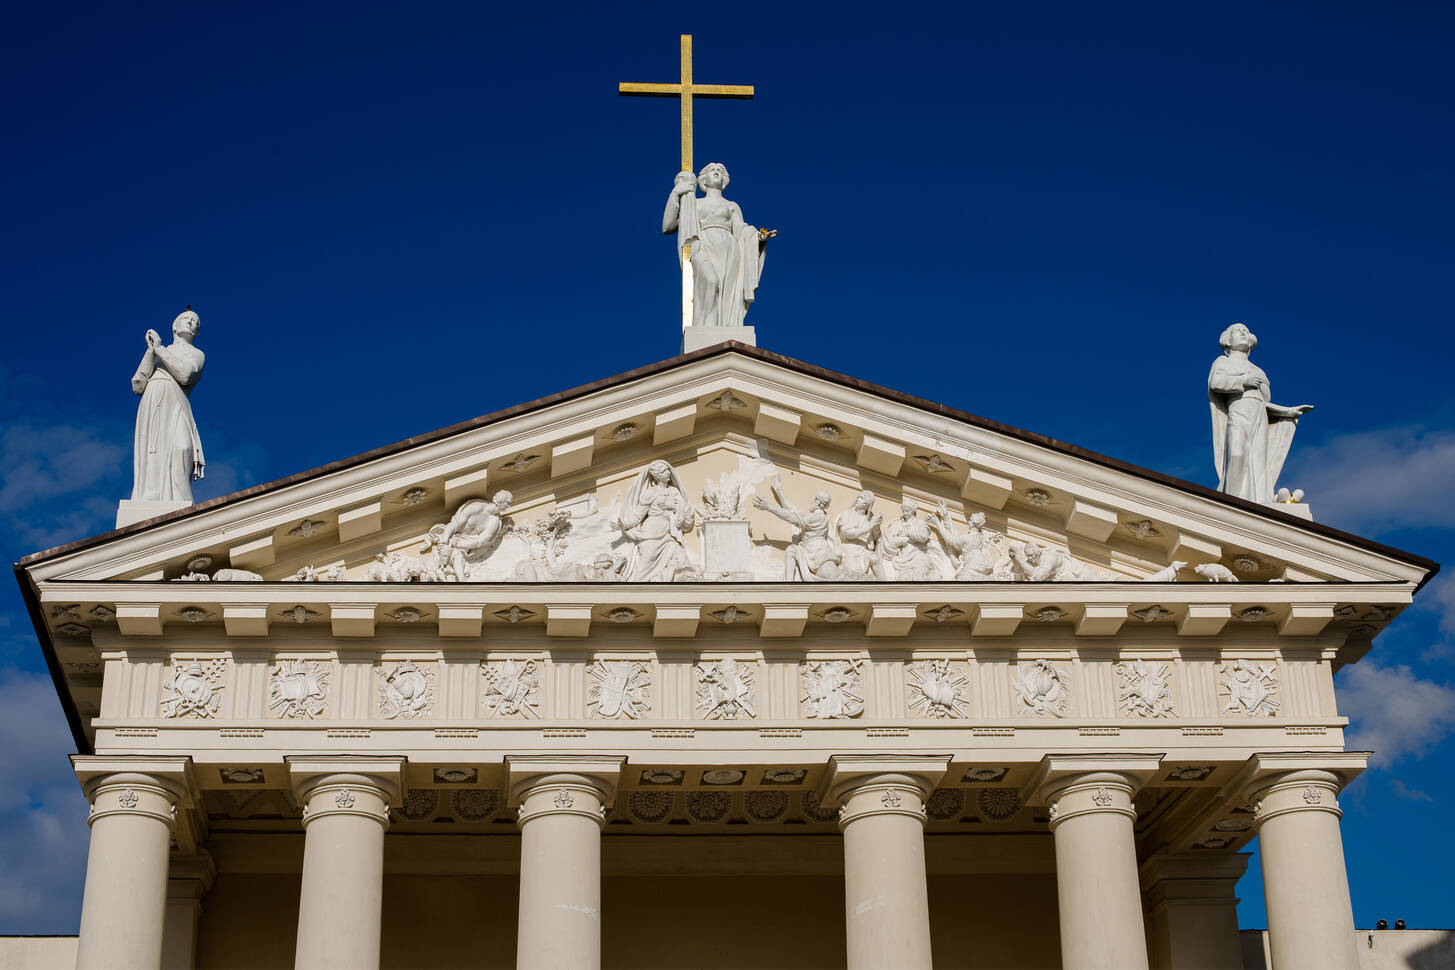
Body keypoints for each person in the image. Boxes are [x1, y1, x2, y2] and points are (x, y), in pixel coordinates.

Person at [1207, 323, 1313, 504]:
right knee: (1237, 454)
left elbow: (1264, 402)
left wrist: (1287, 411)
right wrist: (1244, 380)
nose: (1242, 333)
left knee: (1258, 461)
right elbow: (1217, 383)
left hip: (1259, 415)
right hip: (1238, 411)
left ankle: (1260, 500)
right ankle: (1232, 500)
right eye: (1237, 331)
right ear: (1227, 341)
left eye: (1245, 332)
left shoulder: (1258, 370)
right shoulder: (1222, 362)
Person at [663, 163, 771, 328]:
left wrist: (757, 236)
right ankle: (705, 326)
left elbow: (741, 230)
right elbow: (668, 226)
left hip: (729, 249)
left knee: (728, 291)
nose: (716, 172)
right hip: (703, 245)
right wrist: (676, 192)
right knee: (710, 281)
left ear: (724, 180)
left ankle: (726, 327)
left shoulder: (731, 206)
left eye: (719, 171)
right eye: (711, 170)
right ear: (703, 180)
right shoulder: (694, 203)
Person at [130, 308, 205, 502]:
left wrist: (160, 350)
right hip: (153, 401)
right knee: (152, 450)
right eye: (186, 319)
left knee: (182, 448)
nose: (191, 322)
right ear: (174, 326)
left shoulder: (196, 354)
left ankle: (180, 501)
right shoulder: (157, 353)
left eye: (196, 322)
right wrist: (150, 352)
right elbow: (138, 385)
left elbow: (186, 374)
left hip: (176, 403)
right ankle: (150, 496)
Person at [618, 460, 696, 581]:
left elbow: (681, 511)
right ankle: (637, 587)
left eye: (668, 470)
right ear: (657, 475)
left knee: (678, 555)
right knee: (648, 557)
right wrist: (624, 525)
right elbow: (638, 516)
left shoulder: (673, 491)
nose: (668, 473)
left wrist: (673, 507)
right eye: (664, 471)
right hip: (651, 531)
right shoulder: (650, 493)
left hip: (668, 532)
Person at [753, 480, 842, 580]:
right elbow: (791, 510)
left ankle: (788, 585)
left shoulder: (817, 518)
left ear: (818, 502)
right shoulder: (816, 517)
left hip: (819, 558)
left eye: (815, 499)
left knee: (791, 550)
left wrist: (769, 507)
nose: (812, 500)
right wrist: (779, 492)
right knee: (791, 550)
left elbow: (792, 517)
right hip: (813, 554)